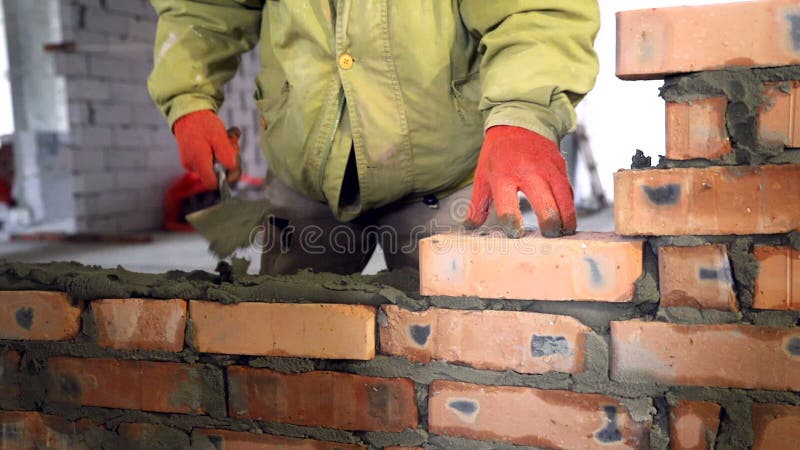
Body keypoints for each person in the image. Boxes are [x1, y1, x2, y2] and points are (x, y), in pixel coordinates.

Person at [148, 1, 600, 275]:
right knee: (290, 350)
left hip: (449, 178)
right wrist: (189, 98)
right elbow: (203, 8)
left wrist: (522, 114)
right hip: (303, 178)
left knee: (464, 348)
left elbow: (533, 11)